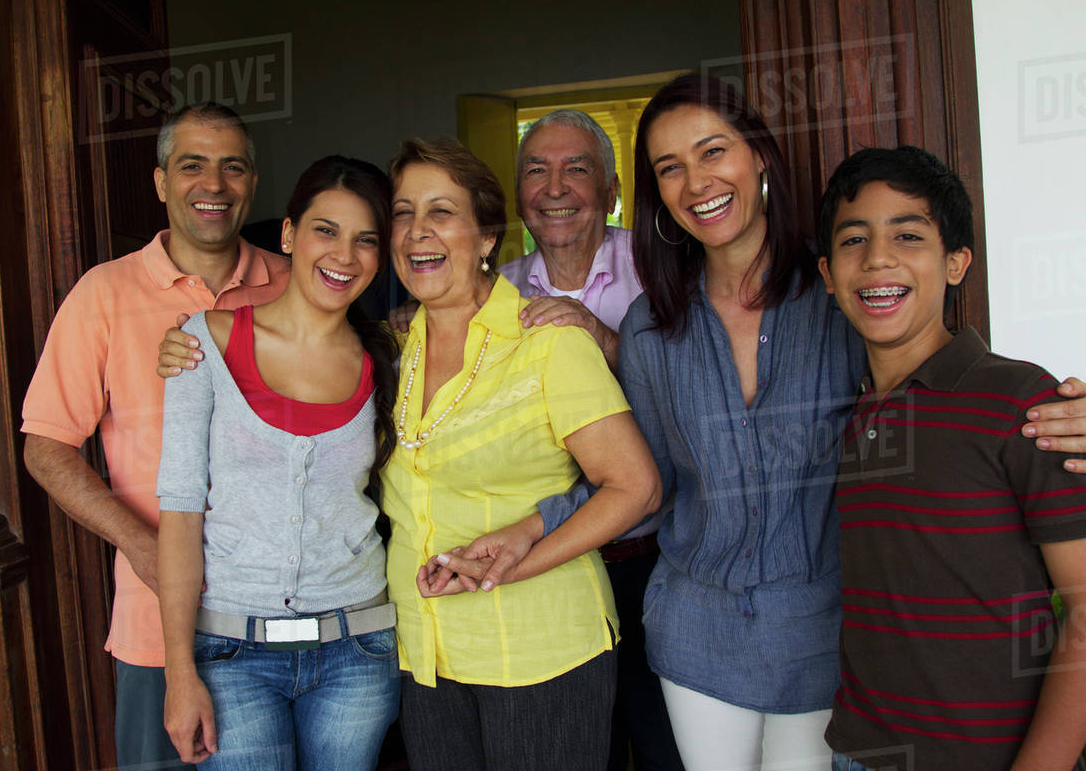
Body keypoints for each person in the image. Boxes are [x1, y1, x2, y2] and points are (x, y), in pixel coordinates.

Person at [490, 74, 1086, 771]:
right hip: (696, 635)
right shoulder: (652, 329)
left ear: (759, 157)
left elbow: (948, 387)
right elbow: (638, 482)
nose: (696, 182)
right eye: (670, 168)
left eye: (713, 152)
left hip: (829, 640)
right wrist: (527, 530)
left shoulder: (846, 291)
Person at [21, 102, 290, 769]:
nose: (214, 185)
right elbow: (46, 447)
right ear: (161, 181)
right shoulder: (104, 295)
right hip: (155, 628)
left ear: (252, 184)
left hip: (283, 622)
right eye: (192, 165)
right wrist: (141, 545)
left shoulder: (293, 288)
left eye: (233, 167)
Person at [384, 136, 660, 771]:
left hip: (540, 650)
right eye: (403, 212)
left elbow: (635, 487)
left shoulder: (547, 341)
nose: (417, 231)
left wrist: (519, 564)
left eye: (441, 212)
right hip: (424, 650)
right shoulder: (396, 349)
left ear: (486, 238)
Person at [816, 147, 1086, 771]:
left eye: (907, 235)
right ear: (828, 274)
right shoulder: (849, 416)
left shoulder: (1024, 402)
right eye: (855, 240)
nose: (878, 258)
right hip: (860, 755)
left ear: (956, 262)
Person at [157, 156, 401, 770]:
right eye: (326, 230)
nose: (344, 255)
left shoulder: (390, 358)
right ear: (289, 235)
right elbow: (181, 512)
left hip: (358, 648)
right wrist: (178, 672)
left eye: (365, 239)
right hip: (231, 652)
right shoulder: (203, 342)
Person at [503, 109, 679, 771]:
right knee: (579, 751)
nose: (554, 187)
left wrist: (601, 341)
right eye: (536, 170)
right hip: (557, 567)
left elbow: (693, 402)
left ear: (610, 191)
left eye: (576, 169)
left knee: (670, 750)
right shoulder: (496, 293)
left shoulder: (664, 273)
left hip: (659, 562)